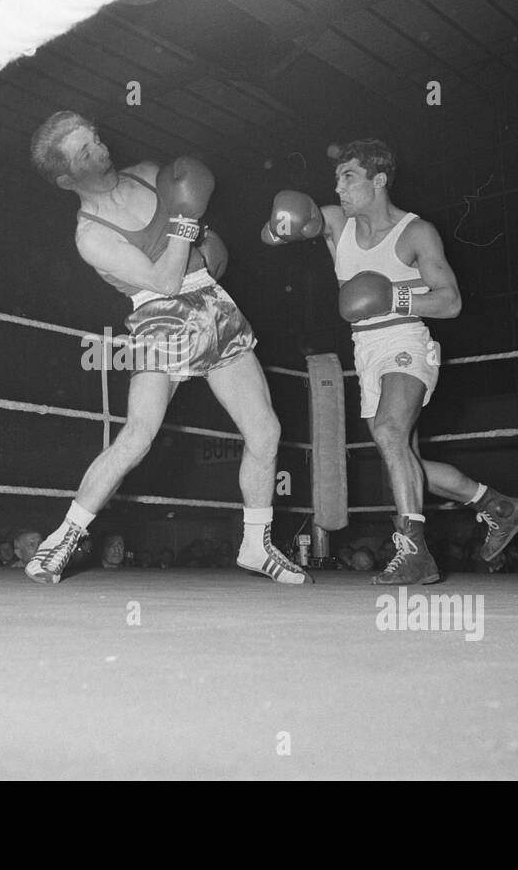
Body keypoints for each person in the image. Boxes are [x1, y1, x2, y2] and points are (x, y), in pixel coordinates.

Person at [24, 111, 309, 585]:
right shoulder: (91, 235)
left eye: (96, 138)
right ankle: (63, 539)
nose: (101, 150)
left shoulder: (146, 173)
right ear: (66, 178)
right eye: (85, 152)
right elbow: (164, 279)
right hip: (161, 315)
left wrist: (204, 235)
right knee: (138, 436)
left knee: (266, 431)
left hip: (213, 304)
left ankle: (257, 544)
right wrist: (184, 221)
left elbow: (199, 238)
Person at [262, 139, 518, 585]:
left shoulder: (416, 232)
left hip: (406, 339)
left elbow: (451, 302)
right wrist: (278, 227)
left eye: (348, 177)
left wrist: (394, 296)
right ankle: (496, 505)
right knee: (401, 460)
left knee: (388, 431)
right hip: (364, 350)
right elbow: (274, 234)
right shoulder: (333, 222)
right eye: (337, 178)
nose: (339, 187)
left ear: (379, 179)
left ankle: (415, 552)